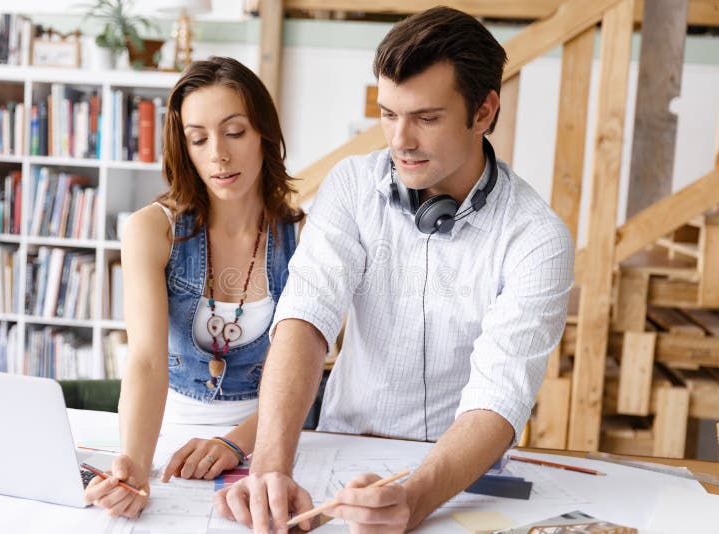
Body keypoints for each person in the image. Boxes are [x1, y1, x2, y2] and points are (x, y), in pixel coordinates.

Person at [213, 7, 575, 534]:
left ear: (483, 111)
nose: (399, 140)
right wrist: (270, 466)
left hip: (457, 483)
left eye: (426, 118)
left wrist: (416, 499)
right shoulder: (351, 186)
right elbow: (306, 319)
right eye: (387, 114)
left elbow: (500, 397)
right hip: (342, 456)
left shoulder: (537, 238)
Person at [84, 56, 304, 519]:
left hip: (271, 439)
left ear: (264, 132)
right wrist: (136, 464)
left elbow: (304, 378)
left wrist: (235, 443)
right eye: (198, 138)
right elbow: (145, 360)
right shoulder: (151, 229)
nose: (218, 155)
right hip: (166, 434)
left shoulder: (304, 237)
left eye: (235, 132)